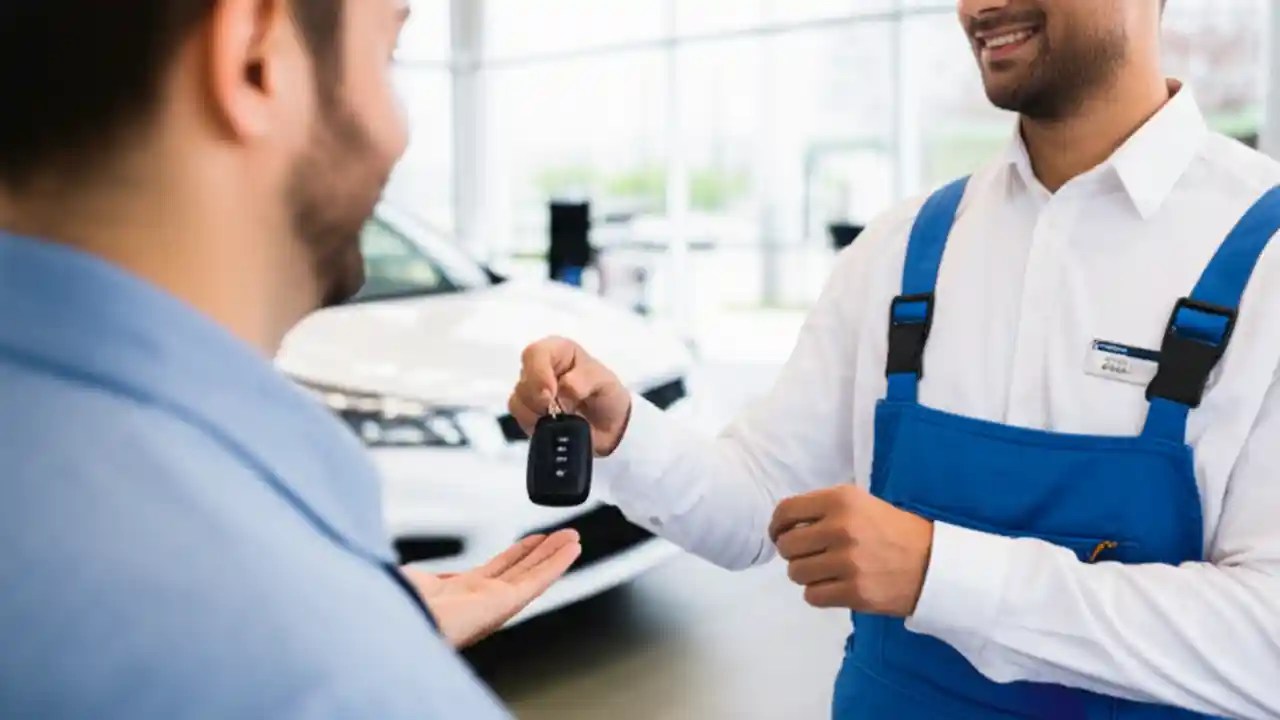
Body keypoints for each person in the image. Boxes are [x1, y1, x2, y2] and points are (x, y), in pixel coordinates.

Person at [512, 0, 1280, 717]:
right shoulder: (904, 247)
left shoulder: (1266, 257)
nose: (979, 7)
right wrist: (623, 434)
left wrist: (939, 575)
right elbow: (759, 505)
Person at [0, 1, 580, 717]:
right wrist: (345, 644)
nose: (399, 134)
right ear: (255, 57)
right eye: (387, 54)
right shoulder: (333, 678)